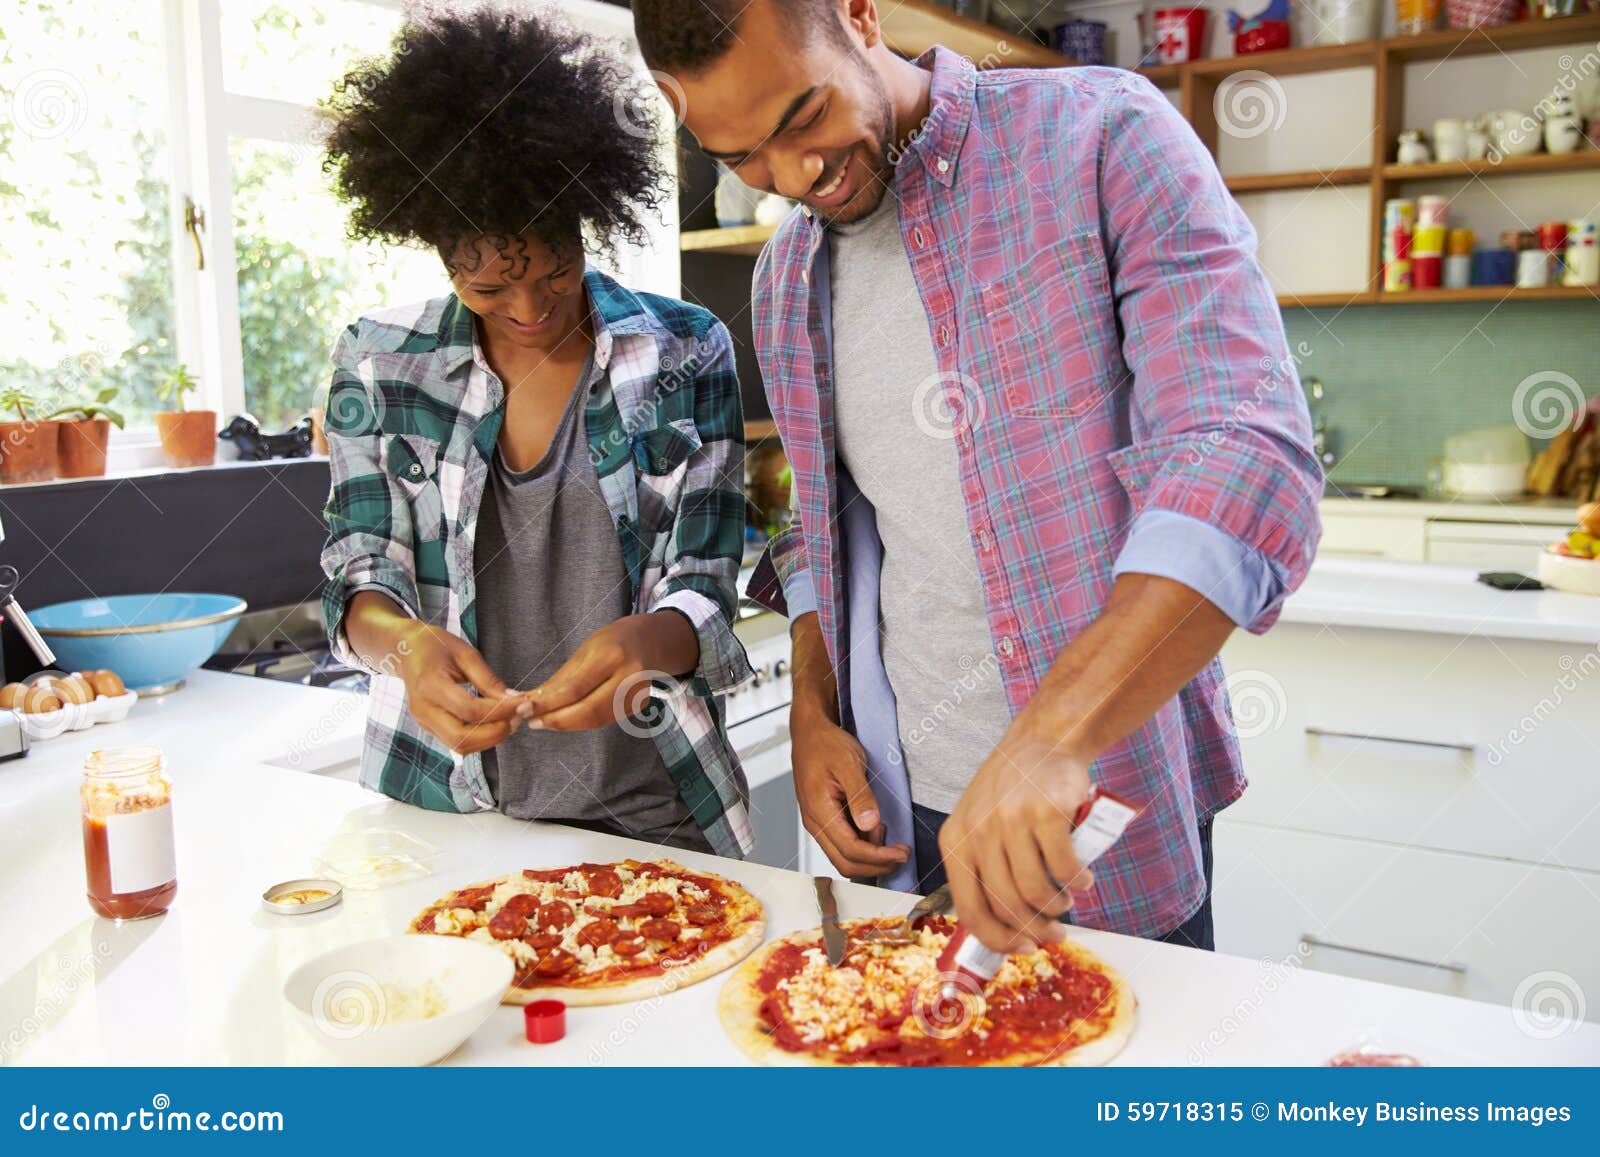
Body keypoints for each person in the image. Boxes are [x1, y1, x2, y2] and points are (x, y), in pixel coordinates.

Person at [633, 0, 1322, 948]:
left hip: (1103, 795)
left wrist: (1051, 738)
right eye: (741, 156)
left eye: (802, 118)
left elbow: (1244, 456)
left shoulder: (1103, 137)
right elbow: (821, 531)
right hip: (908, 813)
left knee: (1118, 1082)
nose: (793, 176)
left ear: (860, 15)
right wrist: (812, 709)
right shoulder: (783, 281)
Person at [318, 8, 754, 856]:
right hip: (447, 812)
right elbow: (358, 574)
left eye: (555, 269)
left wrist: (647, 642)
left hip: (657, 815)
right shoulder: (379, 365)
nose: (527, 311)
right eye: (488, 290)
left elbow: (706, 581)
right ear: (436, 248)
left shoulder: (688, 349)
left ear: (590, 217)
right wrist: (407, 645)